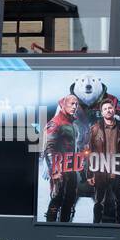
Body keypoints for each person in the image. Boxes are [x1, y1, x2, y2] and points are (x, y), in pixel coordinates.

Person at [86, 97, 120, 224]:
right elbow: (90, 152)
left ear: (114, 110)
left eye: (110, 108)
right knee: (98, 201)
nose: (108, 110)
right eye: (105, 109)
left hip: (117, 171)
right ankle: (96, 225)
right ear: (102, 112)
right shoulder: (95, 129)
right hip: (101, 171)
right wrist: (90, 174)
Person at [43, 94, 82, 222]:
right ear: (63, 104)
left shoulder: (72, 124)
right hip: (59, 171)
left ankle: (65, 228)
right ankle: (49, 230)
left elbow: (74, 148)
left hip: (70, 170)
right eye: (72, 103)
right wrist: (55, 171)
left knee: (69, 201)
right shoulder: (56, 122)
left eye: (76, 104)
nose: (75, 106)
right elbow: (49, 148)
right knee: (56, 200)